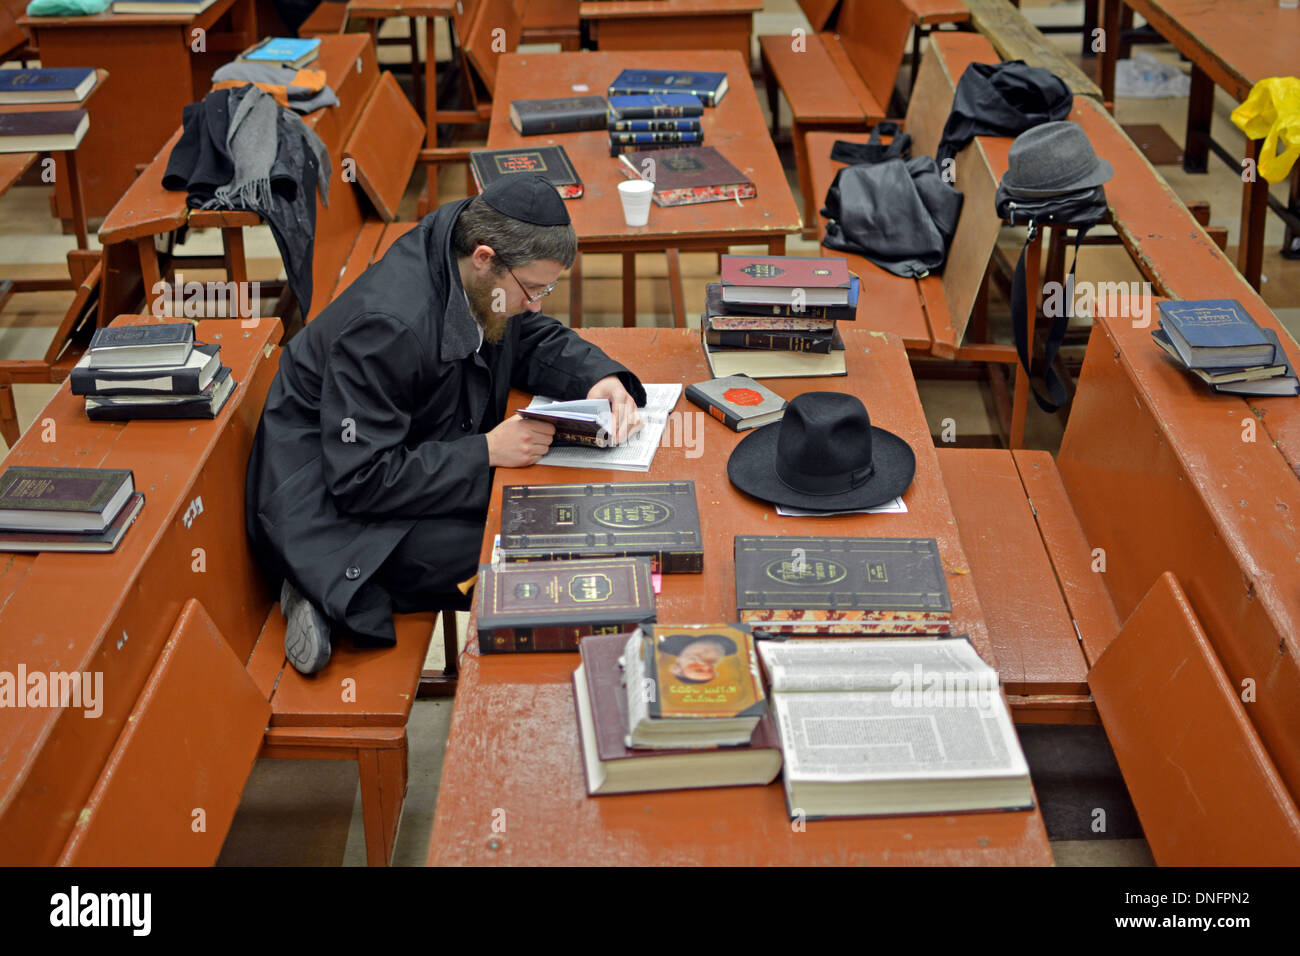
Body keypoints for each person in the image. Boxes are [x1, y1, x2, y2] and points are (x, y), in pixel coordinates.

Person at [245, 174, 645, 674]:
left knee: (542, 522)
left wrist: (596, 376)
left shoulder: (469, 260)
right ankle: (323, 580)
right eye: (534, 288)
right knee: (515, 556)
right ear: (484, 258)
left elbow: (523, 334)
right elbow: (358, 477)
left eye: (550, 287)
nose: (538, 302)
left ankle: (336, 587)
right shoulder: (389, 326)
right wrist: (485, 452)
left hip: (406, 448)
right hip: (325, 501)